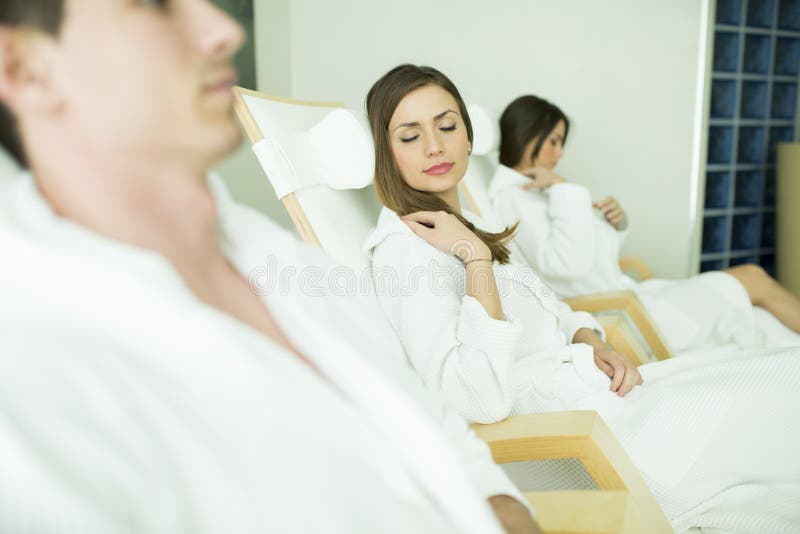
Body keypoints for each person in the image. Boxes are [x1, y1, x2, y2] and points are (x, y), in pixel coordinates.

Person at [0, 2, 540, 533]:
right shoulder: (33, 396)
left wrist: (503, 504)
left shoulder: (288, 262)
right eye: (155, 5)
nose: (224, 30)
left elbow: (439, 432)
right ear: (23, 69)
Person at [364, 63, 800, 533]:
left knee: (778, 368)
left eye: (447, 126)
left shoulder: (468, 220)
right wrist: (475, 261)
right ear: (387, 153)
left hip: (604, 399)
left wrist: (593, 339)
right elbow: (478, 399)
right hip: (586, 444)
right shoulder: (406, 251)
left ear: (467, 136)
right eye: (410, 136)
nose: (435, 146)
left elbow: (551, 304)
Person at [489, 94, 800, 353]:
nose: (560, 153)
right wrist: (564, 190)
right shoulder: (515, 198)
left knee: (762, 311)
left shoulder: (536, 191)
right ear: (527, 134)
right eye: (554, 141)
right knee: (753, 279)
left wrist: (613, 223)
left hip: (630, 299)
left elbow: (587, 256)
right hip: (620, 314)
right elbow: (568, 265)